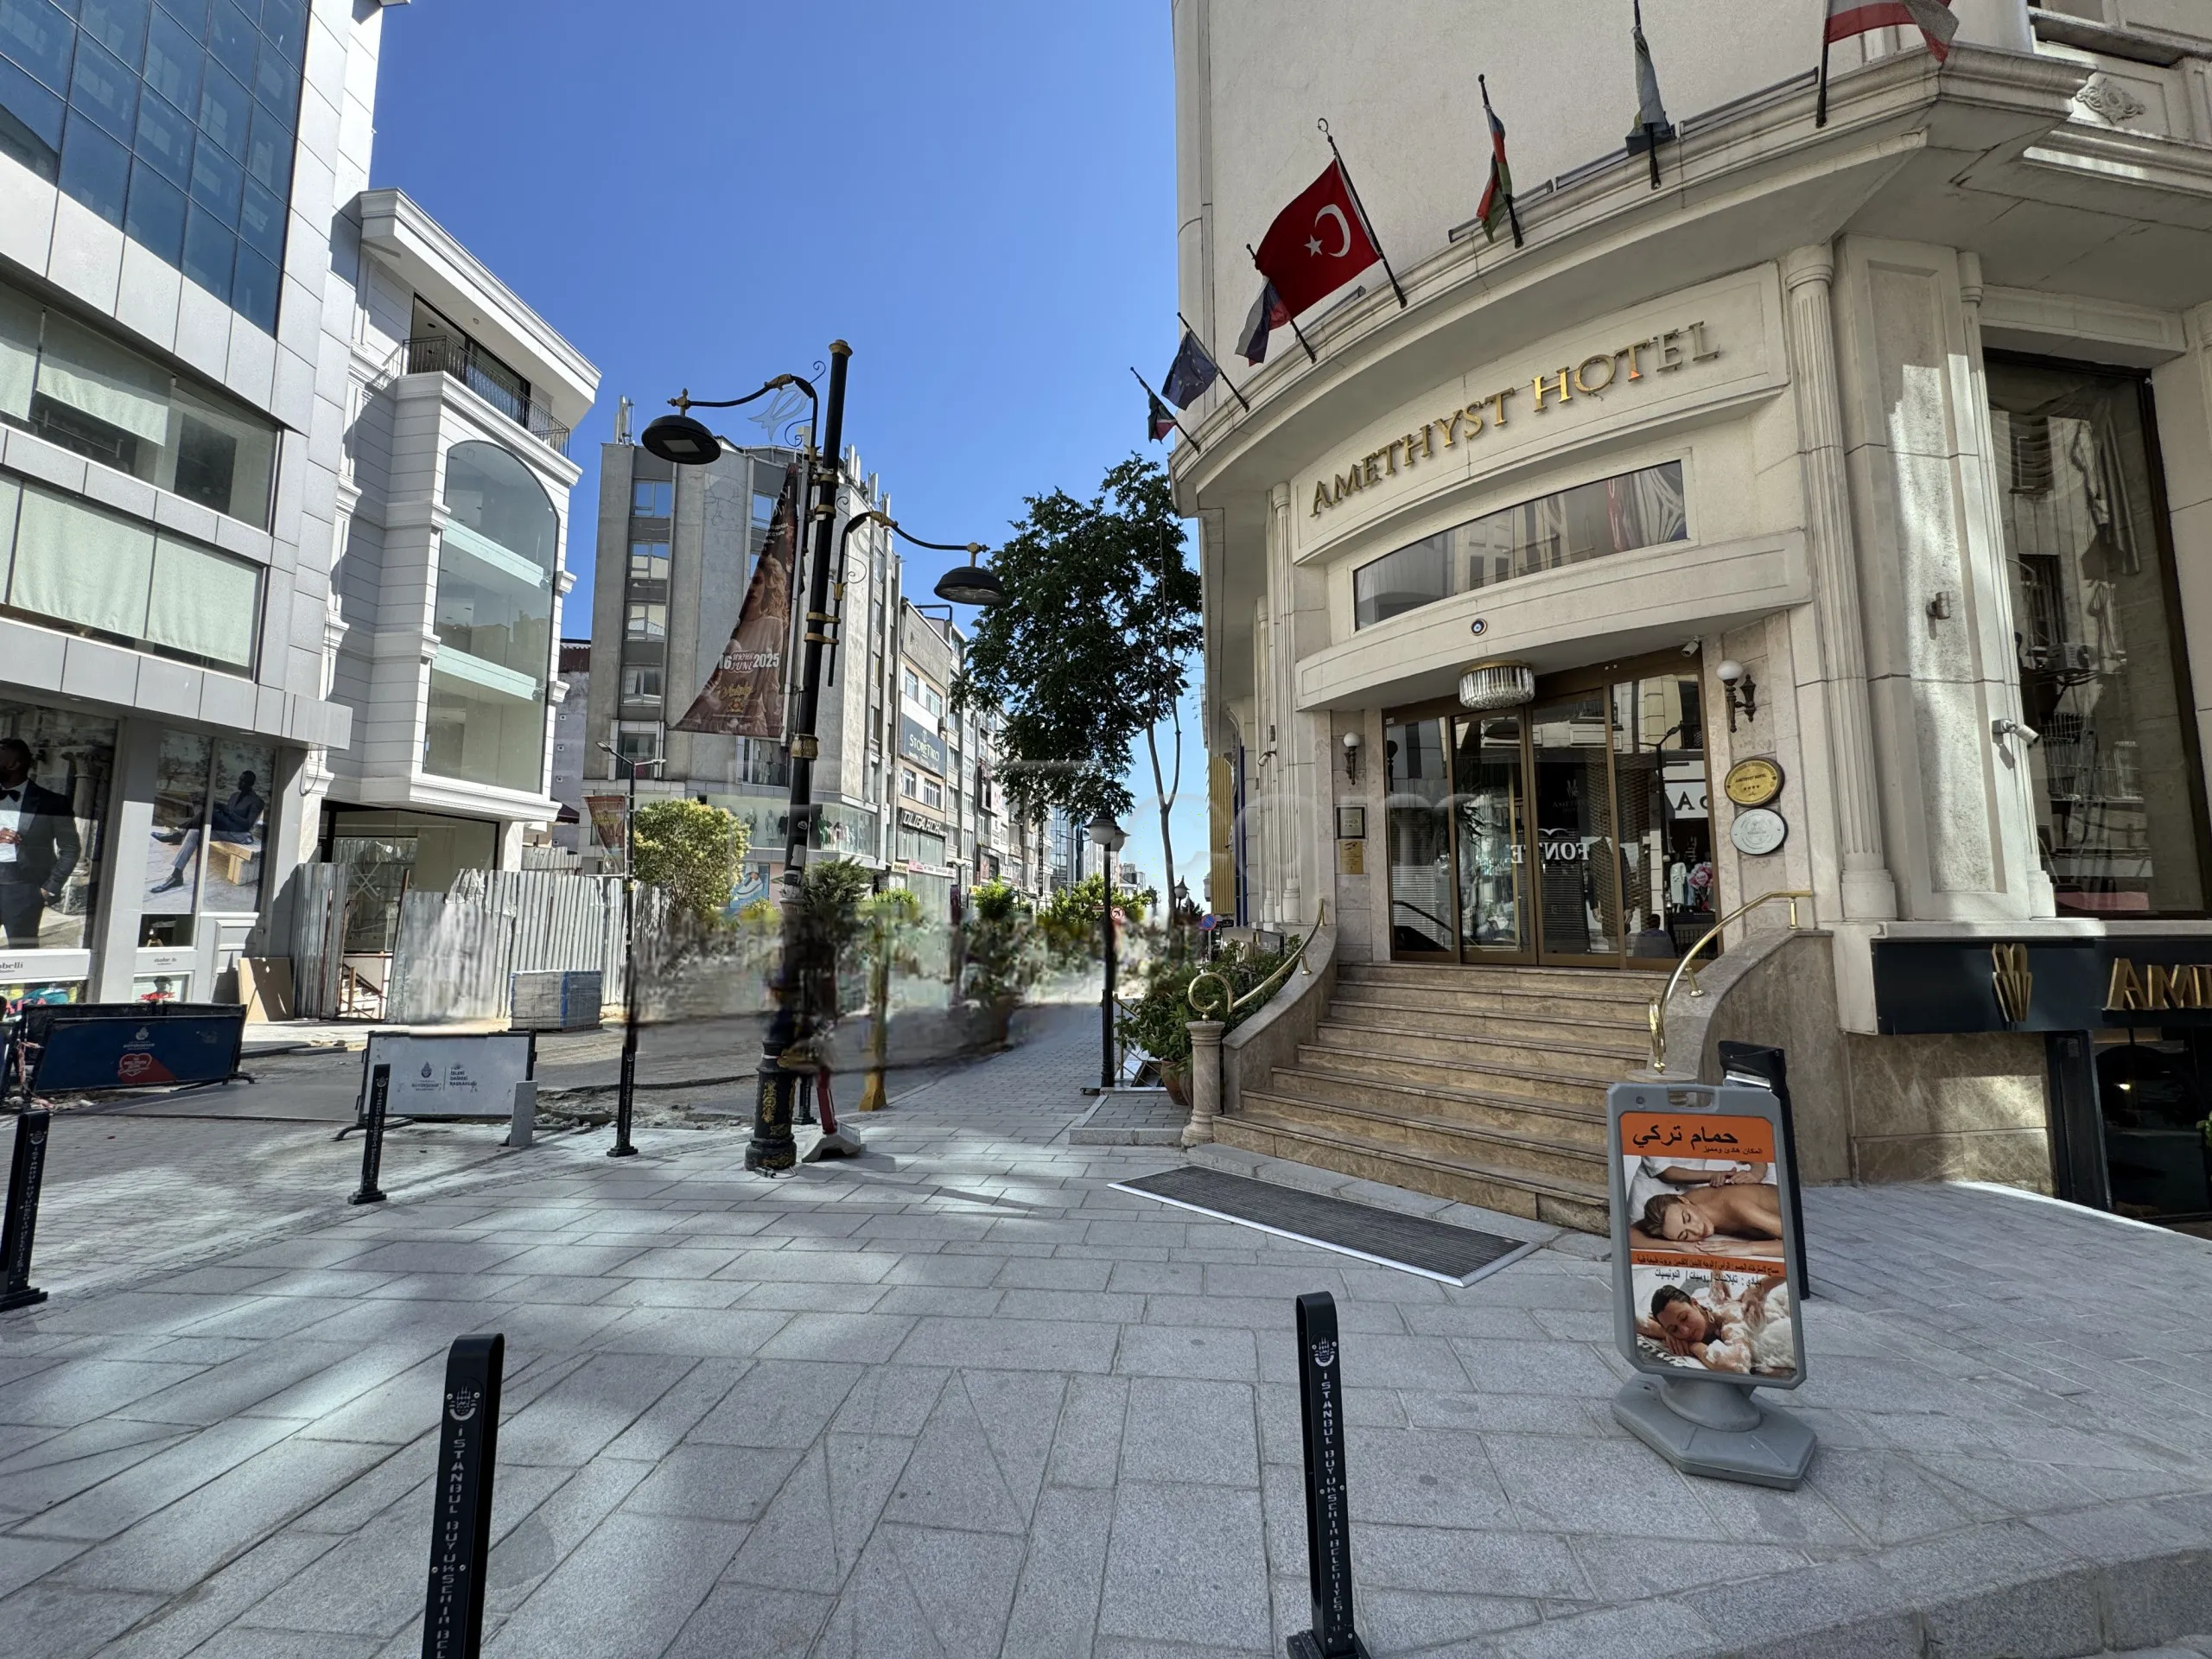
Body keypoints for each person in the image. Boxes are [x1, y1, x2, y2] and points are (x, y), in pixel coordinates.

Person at [0, 737, 83, 948]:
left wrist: (49, 889)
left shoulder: (53, 802)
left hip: (24, 888)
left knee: (22, 954)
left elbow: (71, 849)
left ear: (14, 764)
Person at [1639, 1275, 1793, 1375]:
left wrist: (1693, 1346)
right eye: (1674, 1328)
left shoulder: (1730, 1319)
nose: (1684, 1330)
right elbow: (1633, 1318)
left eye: (1685, 1318)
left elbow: (1736, 1366)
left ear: (1695, 1304)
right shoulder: (1687, 1309)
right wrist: (1665, 1333)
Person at [153, 771, 264, 894]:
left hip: (240, 834)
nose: (239, 782)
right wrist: (221, 808)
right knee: (195, 831)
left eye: (243, 781)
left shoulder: (257, 801)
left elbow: (247, 824)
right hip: (225, 829)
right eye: (240, 779)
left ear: (250, 784)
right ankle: (176, 876)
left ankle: (179, 833)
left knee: (209, 813)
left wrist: (227, 812)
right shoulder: (234, 796)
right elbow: (226, 815)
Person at [1641, 1179, 1784, 1246]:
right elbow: (1631, 1235)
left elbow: (1793, 1241)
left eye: (1688, 1219)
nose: (1697, 1230)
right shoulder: (1674, 1211)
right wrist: (1677, 1246)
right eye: (1685, 1235)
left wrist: (1749, 1248)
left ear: (1683, 1200)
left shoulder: (1737, 1206)